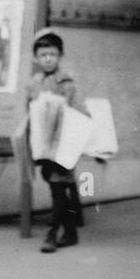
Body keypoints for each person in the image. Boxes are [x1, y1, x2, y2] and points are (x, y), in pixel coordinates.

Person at [27, 28, 84, 253]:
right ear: (36, 58)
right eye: (43, 55)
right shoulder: (33, 84)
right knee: (58, 187)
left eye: (52, 54)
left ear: (59, 56)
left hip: (62, 145)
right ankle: (70, 233)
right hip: (42, 145)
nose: (47, 59)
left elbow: (76, 112)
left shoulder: (67, 83)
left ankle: (52, 233)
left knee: (58, 188)